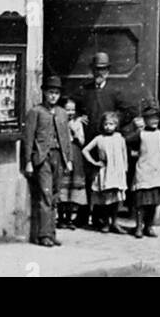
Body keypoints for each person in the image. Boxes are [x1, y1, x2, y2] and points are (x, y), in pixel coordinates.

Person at [23, 74, 73, 248]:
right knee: (45, 195)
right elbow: (28, 138)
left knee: (55, 196)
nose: (53, 96)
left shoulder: (62, 113)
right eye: (50, 92)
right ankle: (43, 235)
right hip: (42, 158)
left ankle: (52, 233)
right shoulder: (35, 112)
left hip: (58, 157)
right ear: (44, 93)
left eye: (56, 93)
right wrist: (28, 161)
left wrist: (69, 160)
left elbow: (66, 138)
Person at [81, 109, 128, 234]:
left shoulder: (119, 138)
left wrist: (125, 168)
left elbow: (124, 153)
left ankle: (115, 222)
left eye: (111, 124)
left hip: (118, 172)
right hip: (106, 172)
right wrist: (94, 162)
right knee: (106, 200)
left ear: (116, 125)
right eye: (106, 124)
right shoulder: (99, 138)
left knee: (116, 199)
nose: (108, 127)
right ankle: (105, 223)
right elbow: (85, 150)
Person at [127, 101, 160, 238]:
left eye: (157, 118)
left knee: (153, 202)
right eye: (151, 118)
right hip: (143, 170)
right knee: (142, 202)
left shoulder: (159, 133)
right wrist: (133, 152)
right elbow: (126, 141)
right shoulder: (140, 134)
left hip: (157, 171)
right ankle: (138, 226)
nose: (154, 121)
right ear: (145, 120)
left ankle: (148, 226)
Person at [57, 94, 89, 231]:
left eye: (72, 110)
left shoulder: (77, 123)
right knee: (62, 186)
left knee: (72, 188)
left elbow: (82, 142)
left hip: (75, 154)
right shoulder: (58, 121)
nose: (70, 112)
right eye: (67, 109)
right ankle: (61, 217)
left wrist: (75, 131)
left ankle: (70, 218)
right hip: (63, 154)